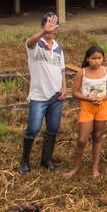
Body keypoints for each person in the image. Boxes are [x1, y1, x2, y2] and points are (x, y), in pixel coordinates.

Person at [23, 11, 66, 174]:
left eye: (55, 27)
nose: (53, 30)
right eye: (50, 27)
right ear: (42, 27)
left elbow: (62, 68)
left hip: (56, 95)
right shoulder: (36, 45)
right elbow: (30, 42)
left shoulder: (58, 47)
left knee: (53, 128)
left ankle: (46, 159)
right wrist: (43, 32)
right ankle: (25, 161)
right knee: (33, 128)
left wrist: (64, 86)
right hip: (39, 95)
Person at [64, 44, 107, 180]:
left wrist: (103, 98)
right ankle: (75, 167)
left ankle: (95, 167)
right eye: (93, 58)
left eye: (99, 58)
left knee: (97, 136)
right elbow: (74, 92)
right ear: (87, 59)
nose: (96, 61)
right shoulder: (82, 72)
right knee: (82, 139)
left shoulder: (106, 71)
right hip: (87, 107)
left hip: (102, 106)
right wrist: (88, 99)